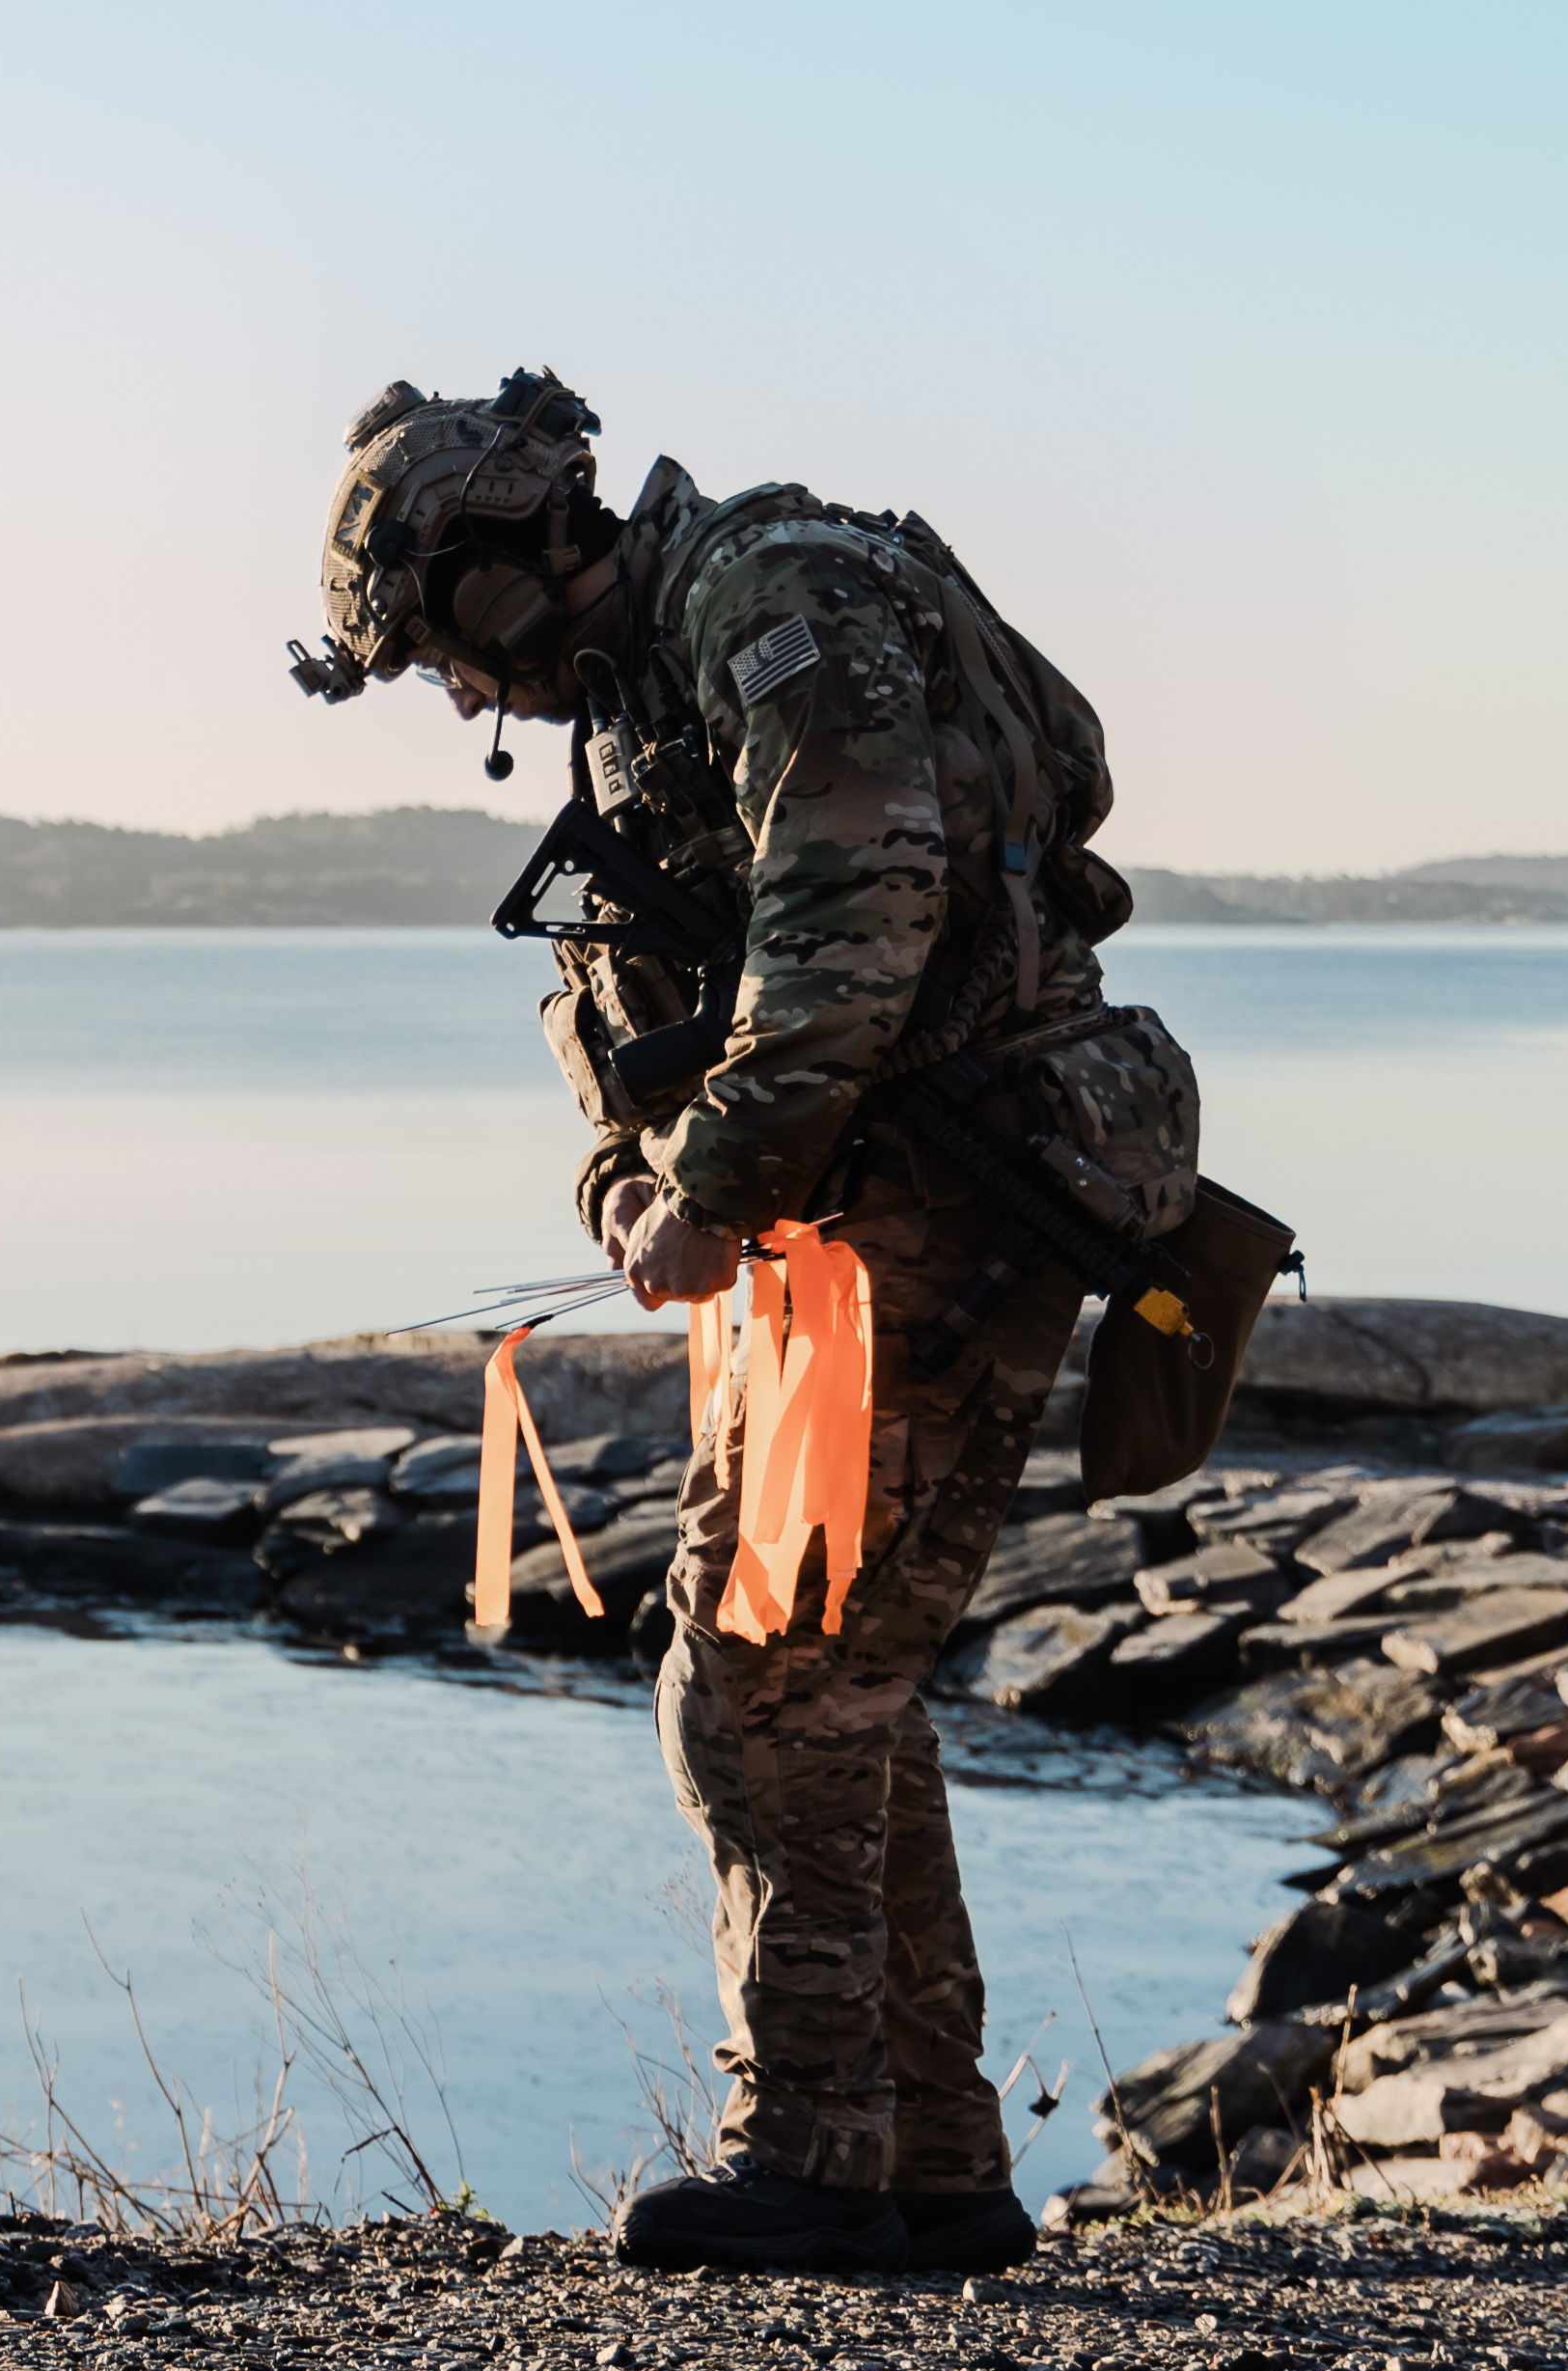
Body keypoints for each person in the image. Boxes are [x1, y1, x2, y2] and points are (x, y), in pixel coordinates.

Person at [294, 372, 1199, 2275]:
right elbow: (616, 993)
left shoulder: (762, 602)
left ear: (513, 555)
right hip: (832, 1220)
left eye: (443, 645)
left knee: (754, 1677)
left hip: (957, 1186)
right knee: (832, 1679)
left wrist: (700, 1191)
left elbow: (852, 905)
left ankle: (808, 2154)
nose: (453, 695)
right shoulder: (633, 694)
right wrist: (631, 1187)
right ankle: (932, 2163)